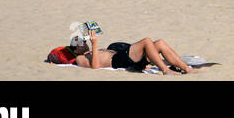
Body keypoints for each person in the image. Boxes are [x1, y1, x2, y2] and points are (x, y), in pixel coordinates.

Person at [52, 32, 194, 74]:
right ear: (76, 49)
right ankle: (165, 70)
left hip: (122, 55)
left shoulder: (89, 51)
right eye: (83, 42)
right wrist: (95, 45)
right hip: (118, 60)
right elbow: (95, 67)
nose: (86, 42)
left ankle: (186, 68)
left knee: (160, 43)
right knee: (146, 41)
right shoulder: (80, 58)